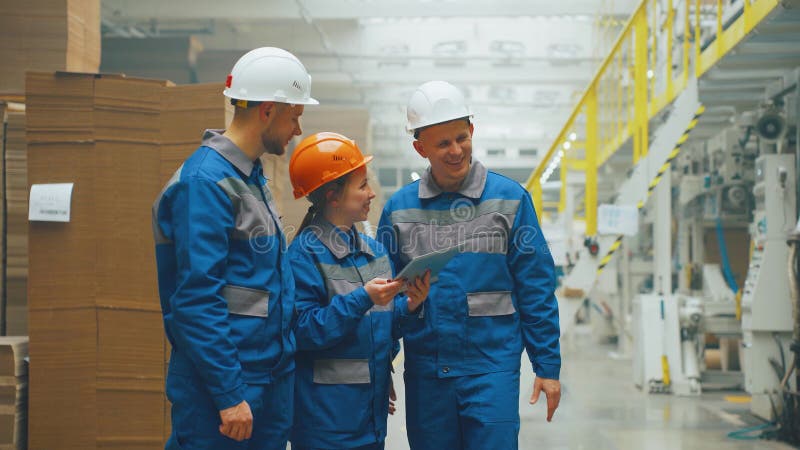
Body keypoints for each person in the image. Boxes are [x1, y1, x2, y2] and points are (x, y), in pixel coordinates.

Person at [377, 80, 562, 450]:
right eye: (443, 143)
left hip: (491, 368)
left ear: (472, 130)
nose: (456, 150)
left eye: (462, 137)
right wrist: (381, 365)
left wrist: (547, 366)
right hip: (428, 373)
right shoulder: (399, 209)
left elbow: (536, 287)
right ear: (420, 147)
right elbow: (383, 295)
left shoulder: (510, 200)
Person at [152, 47, 318, 450]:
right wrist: (228, 394)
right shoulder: (205, 184)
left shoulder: (250, 177)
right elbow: (196, 300)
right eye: (294, 115)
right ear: (268, 110)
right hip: (226, 388)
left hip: (266, 378)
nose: (297, 129)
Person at [287, 132, 431, 450]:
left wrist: (409, 307)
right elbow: (303, 331)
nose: (372, 193)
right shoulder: (304, 255)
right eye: (363, 185)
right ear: (333, 196)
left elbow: (384, 330)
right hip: (324, 425)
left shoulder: (376, 253)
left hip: (371, 420)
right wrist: (362, 298)